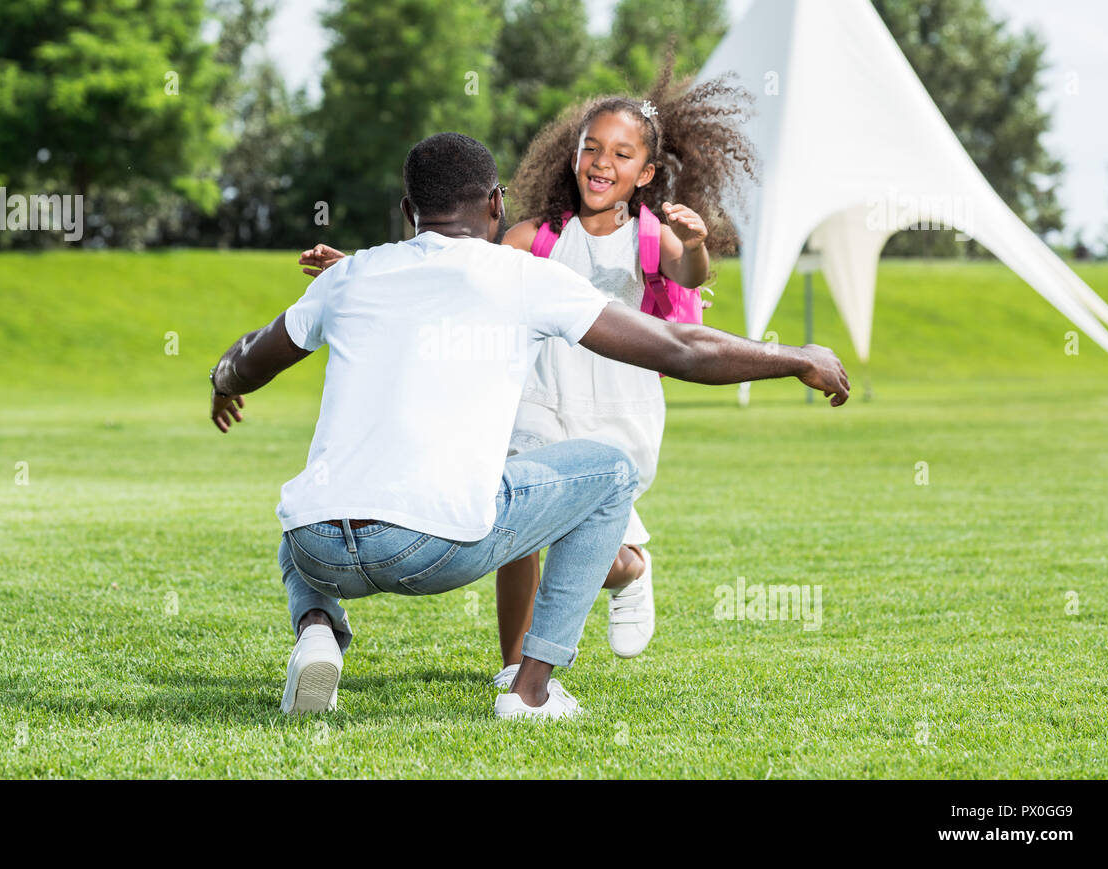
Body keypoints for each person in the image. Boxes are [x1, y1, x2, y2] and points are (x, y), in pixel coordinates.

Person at [210, 132, 849, 720]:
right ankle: (532, 689)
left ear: (409, 211)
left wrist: (221, 381)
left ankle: (317, 630)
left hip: (319, 550)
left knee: (310, 500)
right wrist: (796, 356)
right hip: (428, 550)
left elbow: (250, 358)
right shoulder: (524, 278)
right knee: (610, 471)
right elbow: (678, 347)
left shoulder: (349, 274)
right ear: (495, 204)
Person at [301, 67, 758, 682]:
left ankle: (631, 572)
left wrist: (695, 242)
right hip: (539, 396)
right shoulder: (535, 238)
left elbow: (690, 280)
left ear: (645, 174)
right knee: (511, 527)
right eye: (591, 148)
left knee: (607, 546)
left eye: (621, 155)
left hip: (618, 408)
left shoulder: (651, 241)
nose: (602, 163)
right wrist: (356, 266)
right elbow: (449, 262)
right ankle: (516, 665)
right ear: (572, 155)